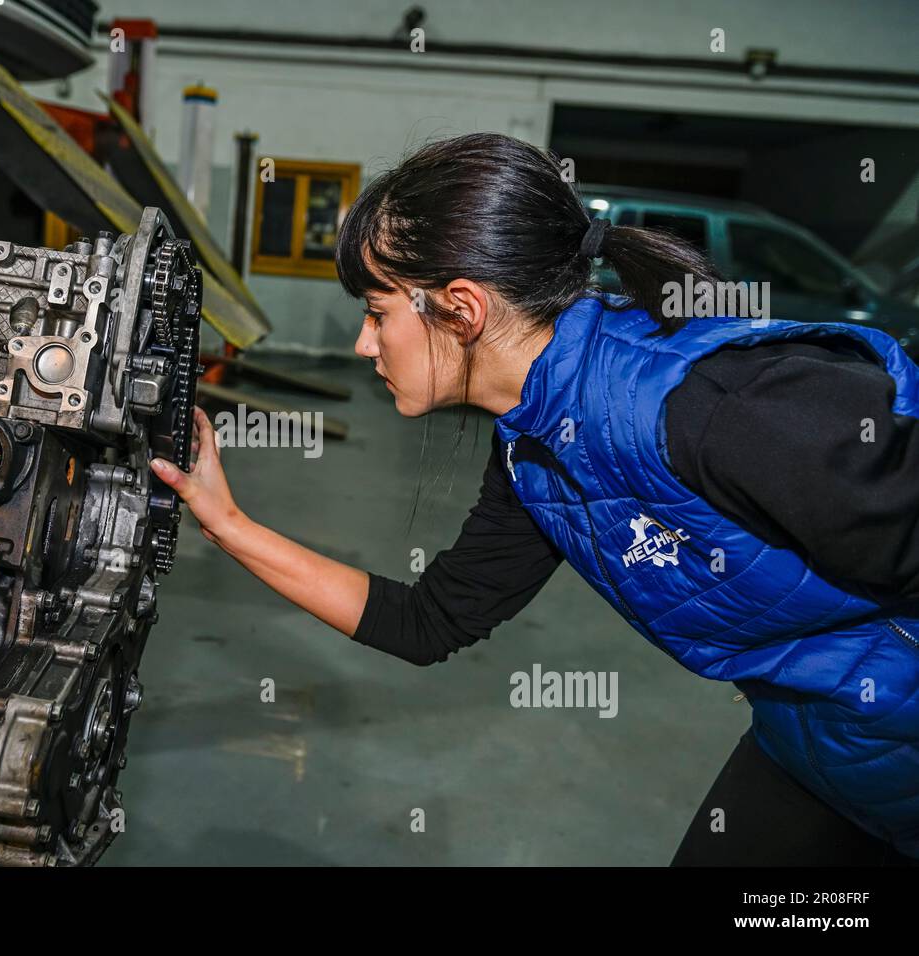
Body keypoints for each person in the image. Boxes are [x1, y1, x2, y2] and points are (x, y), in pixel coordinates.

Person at [148, 132, 919, 866]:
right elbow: (427, 623)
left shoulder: (713, 407)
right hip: (819, 748)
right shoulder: (533, 449)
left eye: (377, 313)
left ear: (461, 308)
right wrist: (226, 522)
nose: (363, 344)